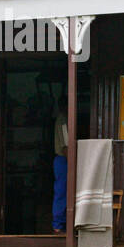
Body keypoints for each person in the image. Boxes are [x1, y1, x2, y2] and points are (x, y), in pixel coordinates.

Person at [52, 95, 68, 232]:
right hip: (63, 159)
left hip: (63, 160)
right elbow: (66, 147)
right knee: (62, 191)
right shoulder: (63, 120)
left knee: (64, 191)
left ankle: (61, 223)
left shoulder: (64, 119)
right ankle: (58, 225)